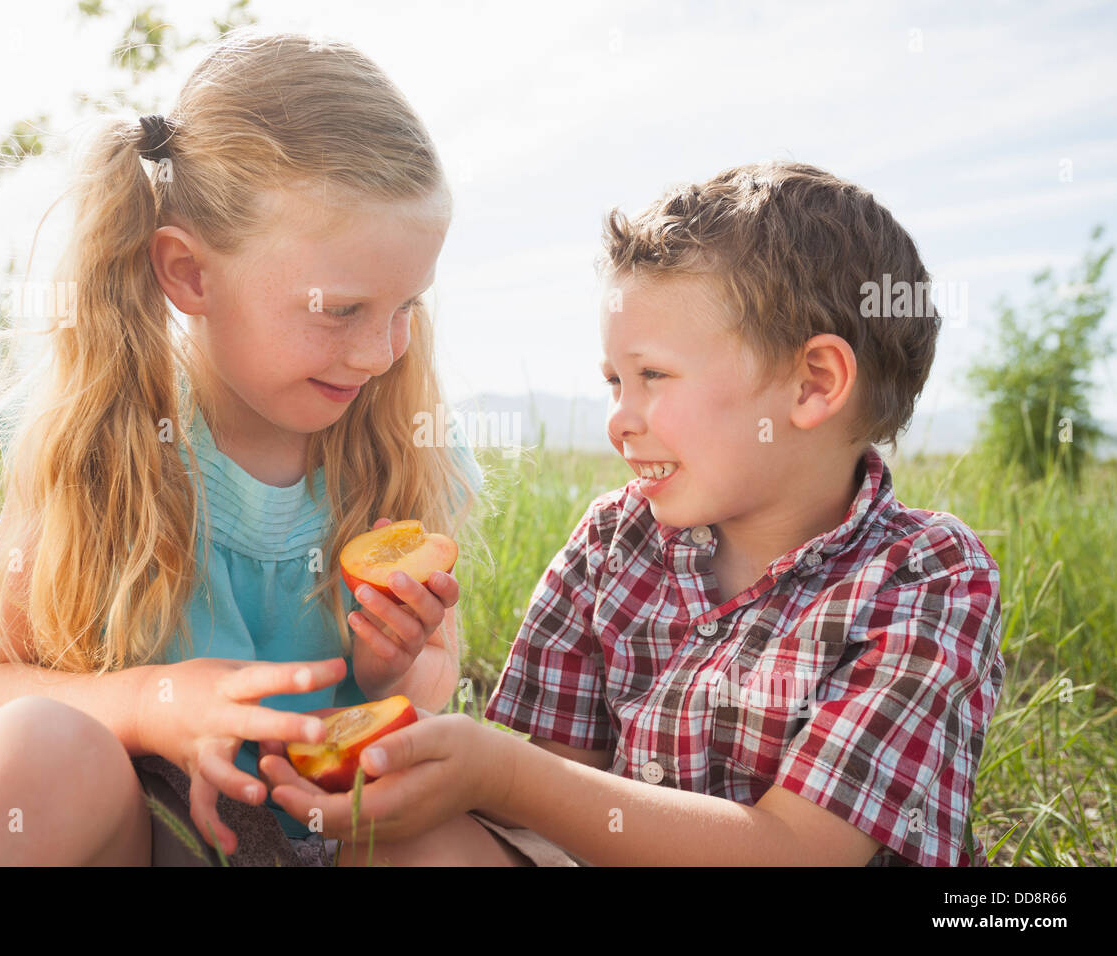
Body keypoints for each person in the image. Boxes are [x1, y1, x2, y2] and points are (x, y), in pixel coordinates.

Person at [0, 29, 505, 867]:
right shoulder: (102, 430)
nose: (380, 351)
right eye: (340, 310)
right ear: (189, 275)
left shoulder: (402, 441)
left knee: (445, 844)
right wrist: (151, 701)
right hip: (135, 828)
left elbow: (437, 676)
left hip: (322, 841)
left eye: (409, 307)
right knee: (42, 749)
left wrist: (396, 667)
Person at [260, 160, 1006, 866]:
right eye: (615, 380)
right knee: (400, 848)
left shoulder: (926, 574)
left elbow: (798, 850)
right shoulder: (611, 542)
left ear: (812, 384)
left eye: (652, 375)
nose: (621, 418)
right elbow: (546, 787)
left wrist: (505, 775)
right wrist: (437, 773)